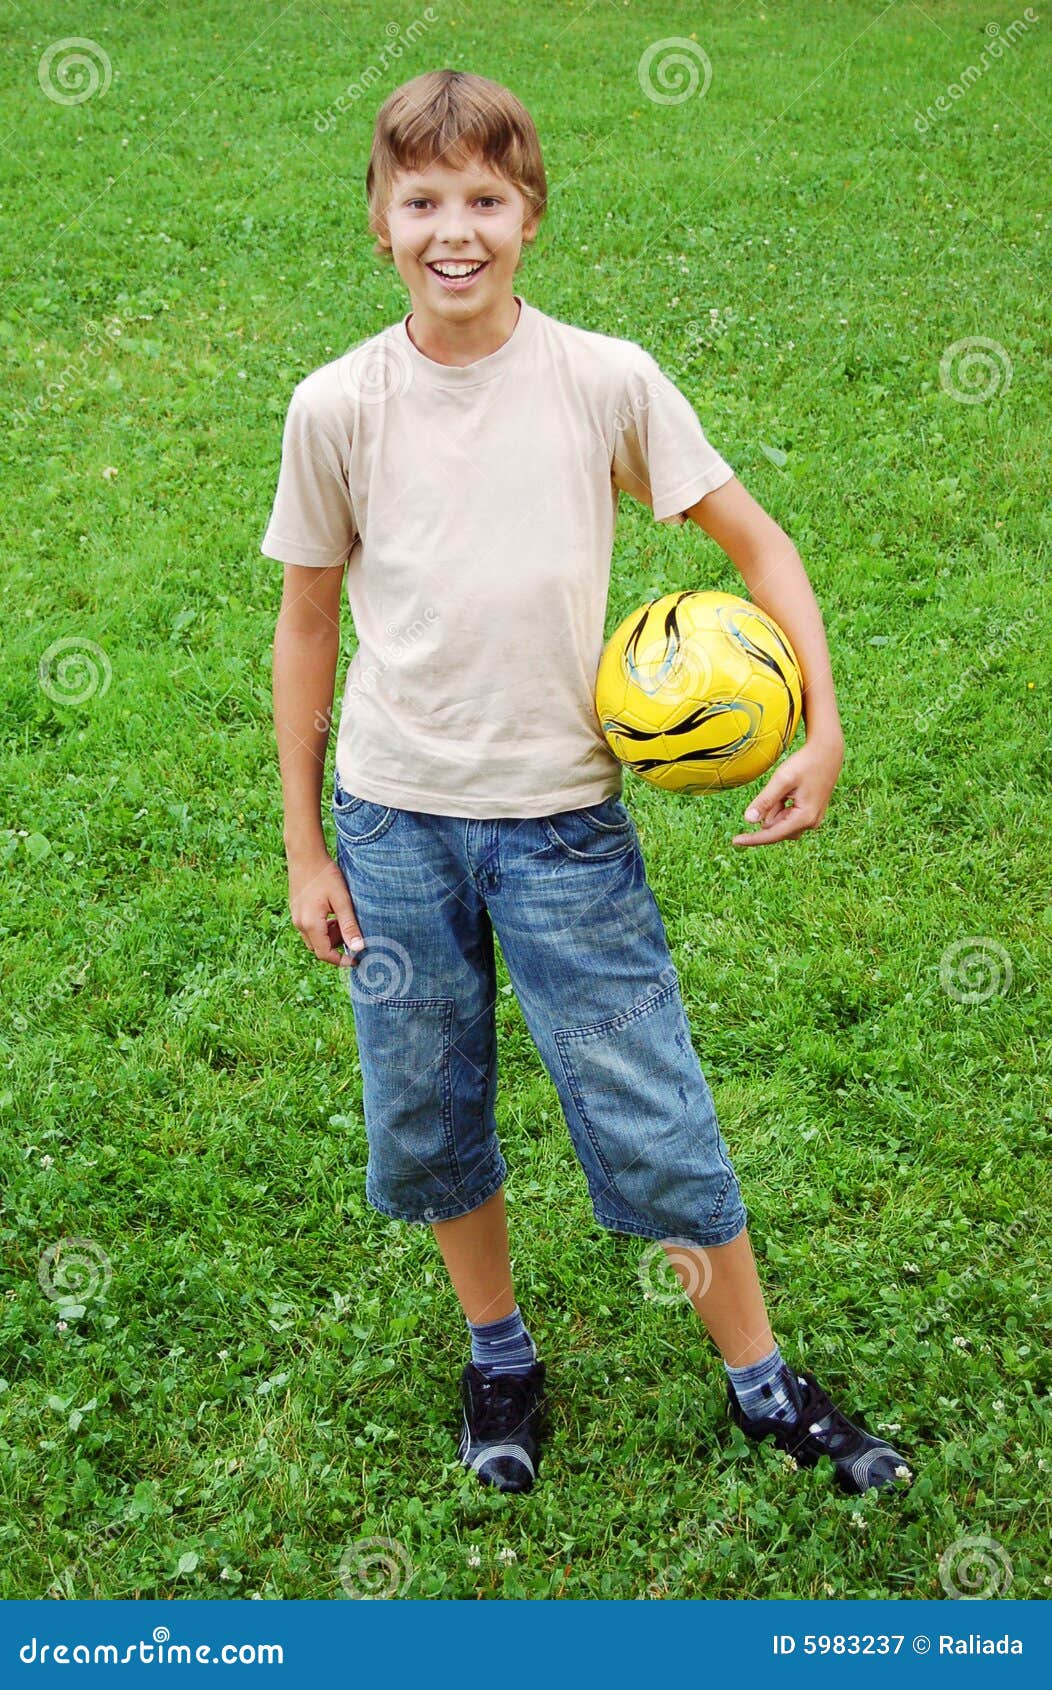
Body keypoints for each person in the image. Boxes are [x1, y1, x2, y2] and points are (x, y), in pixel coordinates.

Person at [262, 68, 914, 1499]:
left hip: (563, 827)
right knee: (427, 1106)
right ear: (377, 221)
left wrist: (825, 721)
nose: (454, 229)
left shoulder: (601, 379)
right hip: (393, 822)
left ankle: (761, 1379)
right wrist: (311, 845)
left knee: (649, 1104)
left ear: (530, 214)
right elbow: (307, 627)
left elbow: (763, 546)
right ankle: (499, 1352)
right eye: (421, 199)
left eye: (483, 199)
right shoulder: (337, 407)